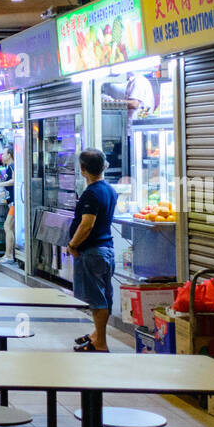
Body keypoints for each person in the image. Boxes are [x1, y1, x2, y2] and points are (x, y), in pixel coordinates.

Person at [68, 148, 117, 353]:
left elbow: (86, 224)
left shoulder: (92, 193)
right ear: (104, 166)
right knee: (104, 296)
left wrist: (73, 245)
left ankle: (101, 342)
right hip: (106, 250)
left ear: (82, 169)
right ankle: (97, 334)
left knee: (97, 299)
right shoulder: (109, 190)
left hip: (93, 252)